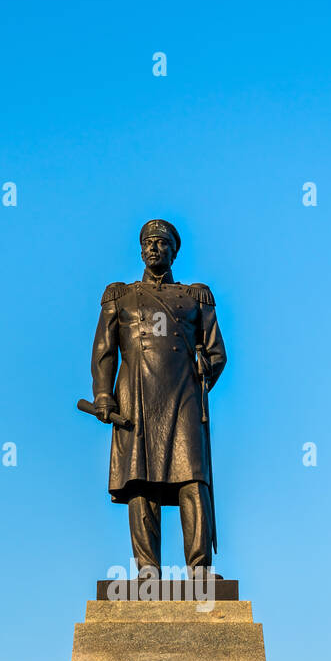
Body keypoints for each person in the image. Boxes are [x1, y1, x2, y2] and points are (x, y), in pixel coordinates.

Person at [89, 219, 226, 572]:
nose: (153, 248)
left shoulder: (195, 296)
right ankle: (147, 572)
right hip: (136, 398)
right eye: (148, 242)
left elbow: (216, 352)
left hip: (183, 398)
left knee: (192, 480)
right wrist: (103, 396)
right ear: (140, 249)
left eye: (161, 243)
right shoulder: (120, 295)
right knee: (141, 483)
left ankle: (200, 570)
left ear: (173, 251)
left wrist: (204, 369)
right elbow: (104, 351)